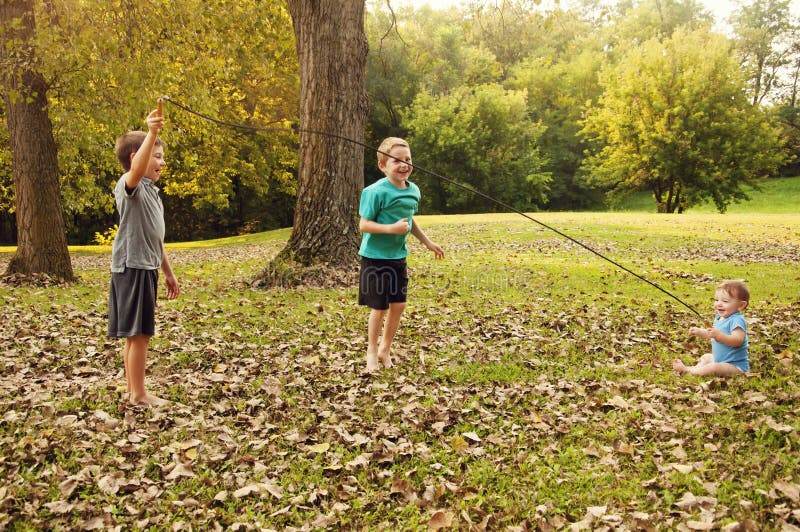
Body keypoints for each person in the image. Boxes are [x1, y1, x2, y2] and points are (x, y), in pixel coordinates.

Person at [108, 105, 180, 405]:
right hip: (133, 267)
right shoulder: (130, 186)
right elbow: (136, 171)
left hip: (146, 266)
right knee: (139, 335)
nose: (162, 161)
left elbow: (156, 238)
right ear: (135, 160)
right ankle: (138, 394)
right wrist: (151, 131)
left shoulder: (151, 192)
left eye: (162, 155)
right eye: (157, 155)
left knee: (135, 334)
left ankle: (132, 390)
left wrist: (168, 272)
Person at [358, 137, 444, 372]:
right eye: (397, 160)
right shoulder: (374, 192)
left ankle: (385, 349)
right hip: (375, 257)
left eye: (408, 159)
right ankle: (371, 353)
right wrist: (389, 229)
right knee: (380, 307)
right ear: (382, 165)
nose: (404, 164)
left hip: (398, 257)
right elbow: (364, 225)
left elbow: (409, 220)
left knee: (399, 305)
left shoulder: (413, 190)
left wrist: (427, 242)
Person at [673, 280, 750, 377]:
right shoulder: (719, 318)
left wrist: (719, 336)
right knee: (706, 357)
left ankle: (688, 371)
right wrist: (700, 332)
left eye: (725, 301)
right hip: (720, 360)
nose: (719, 304)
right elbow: (712, 333)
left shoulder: (737, 320)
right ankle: (695, 369)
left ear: (741, 305)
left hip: (735, 366)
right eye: (717, 300)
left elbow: (737, 340)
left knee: (713, 367)